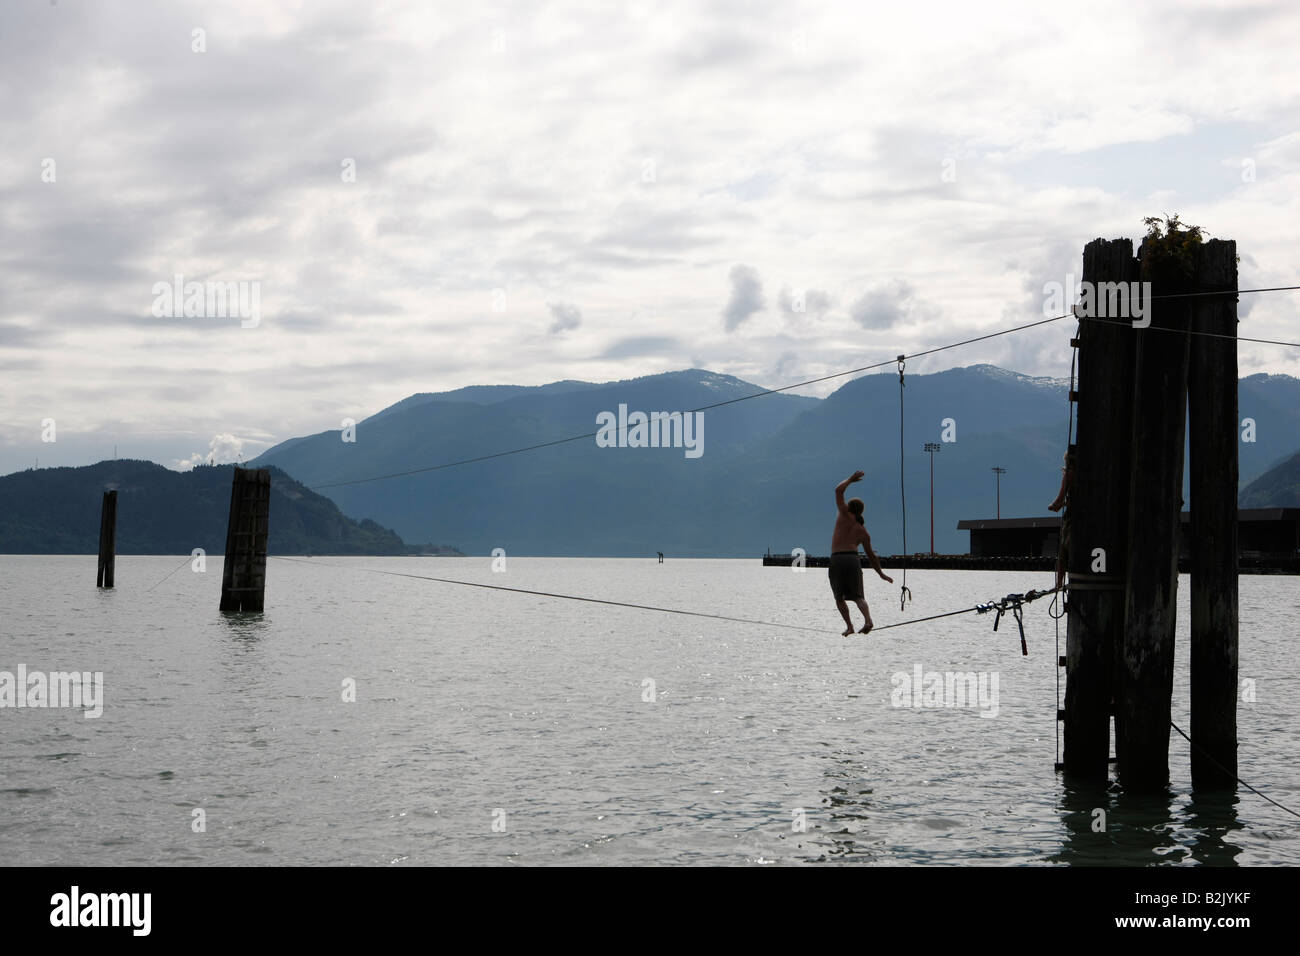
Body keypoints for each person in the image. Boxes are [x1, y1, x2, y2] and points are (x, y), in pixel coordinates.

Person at [829, 470, 893, 636]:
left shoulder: (844, 514)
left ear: (849, 507)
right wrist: (881, 574)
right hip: (853, 559)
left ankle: (849, 626)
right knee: (858, 596)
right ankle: (868, 620)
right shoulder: (863, 531)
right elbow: (871, 556)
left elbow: (838, 490)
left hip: (838, 559)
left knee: (839, 598)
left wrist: (850, 479)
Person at [1048, 450, 1075, 591]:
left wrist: (1052, 506)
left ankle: (1059, 584)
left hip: (1072, 518)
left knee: (1063, 552)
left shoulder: (1069, 475)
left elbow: (1059, 501)